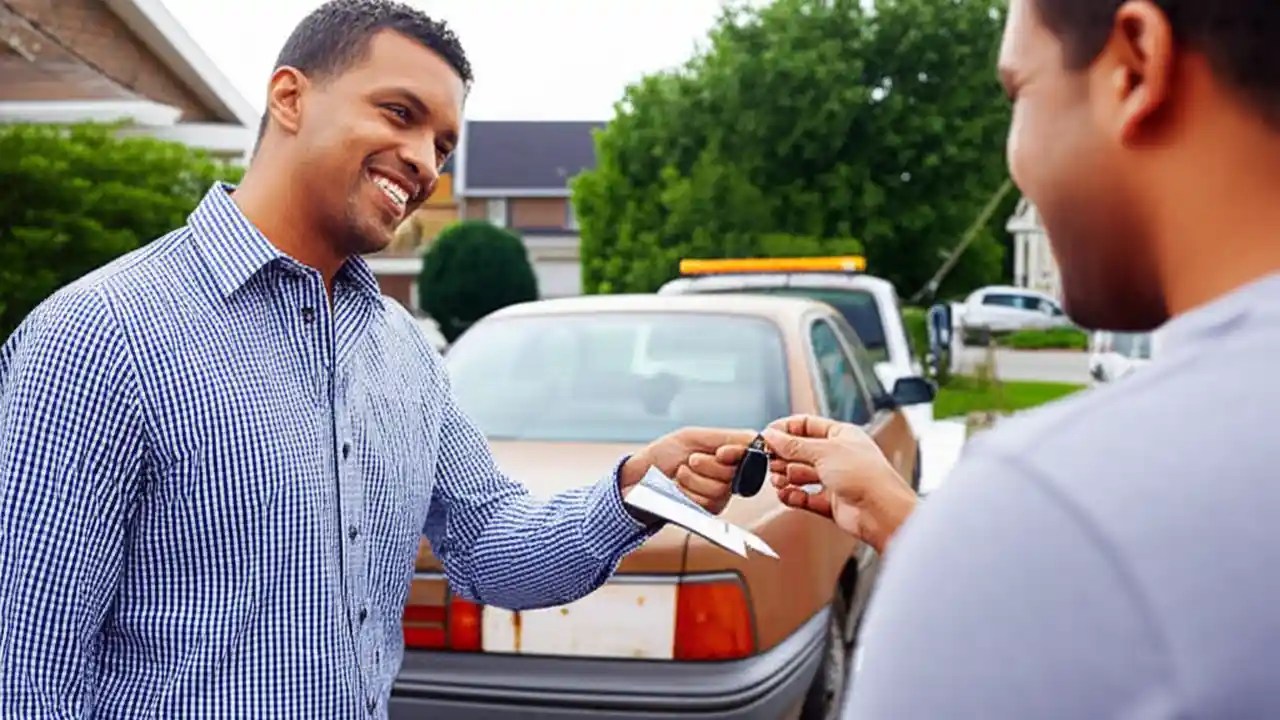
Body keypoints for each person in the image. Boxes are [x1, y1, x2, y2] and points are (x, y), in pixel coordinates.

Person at [0, 1, 754, 716]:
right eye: (400, 113)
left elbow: (492, 546)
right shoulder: (95, 339)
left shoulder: (404, 349)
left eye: (444, 145)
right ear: (290, 99)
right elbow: (24, 675)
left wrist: (636, 489)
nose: (425, 162)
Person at [759, 0, 1280, 717]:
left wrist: (975, 547)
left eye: (1018, 94)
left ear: (1133, 67)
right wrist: (899, 515)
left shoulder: (1051, 514)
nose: (1017, 161)